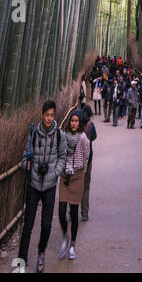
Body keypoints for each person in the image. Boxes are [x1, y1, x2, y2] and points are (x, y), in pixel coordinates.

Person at [17, 100, 66, 272]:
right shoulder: (34, 134)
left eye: (52, 115)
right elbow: (24, 157)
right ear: (42, 115)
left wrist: (54, 173)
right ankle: (20, 264)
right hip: (33, 185)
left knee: (46, 225)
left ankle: (41, 254)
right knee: (27, 226)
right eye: (47, 115)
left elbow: (62, 158)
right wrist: (26, 165)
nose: (49, 118)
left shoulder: (60, 135)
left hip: (50, 187)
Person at [57, 111, 89, 260]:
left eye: (76, 121)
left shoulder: (83, 138)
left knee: (74, 213)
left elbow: (86, 156)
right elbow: (60, 153)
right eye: (72, 121)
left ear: (80, 122)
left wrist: (82, 174)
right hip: (65, 177)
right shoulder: (63, 136)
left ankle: (72, 246)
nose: (74, 123)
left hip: (77, 177)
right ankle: (65, 236)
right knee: (62, 211)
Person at [79, 104, 97, 222]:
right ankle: (84, 213)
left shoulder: (77, 124)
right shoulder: (91, 125)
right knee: (85, 187)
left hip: (77, 159)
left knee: (75, 186)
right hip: (88, 158)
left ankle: (72, 212)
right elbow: (94, 137)